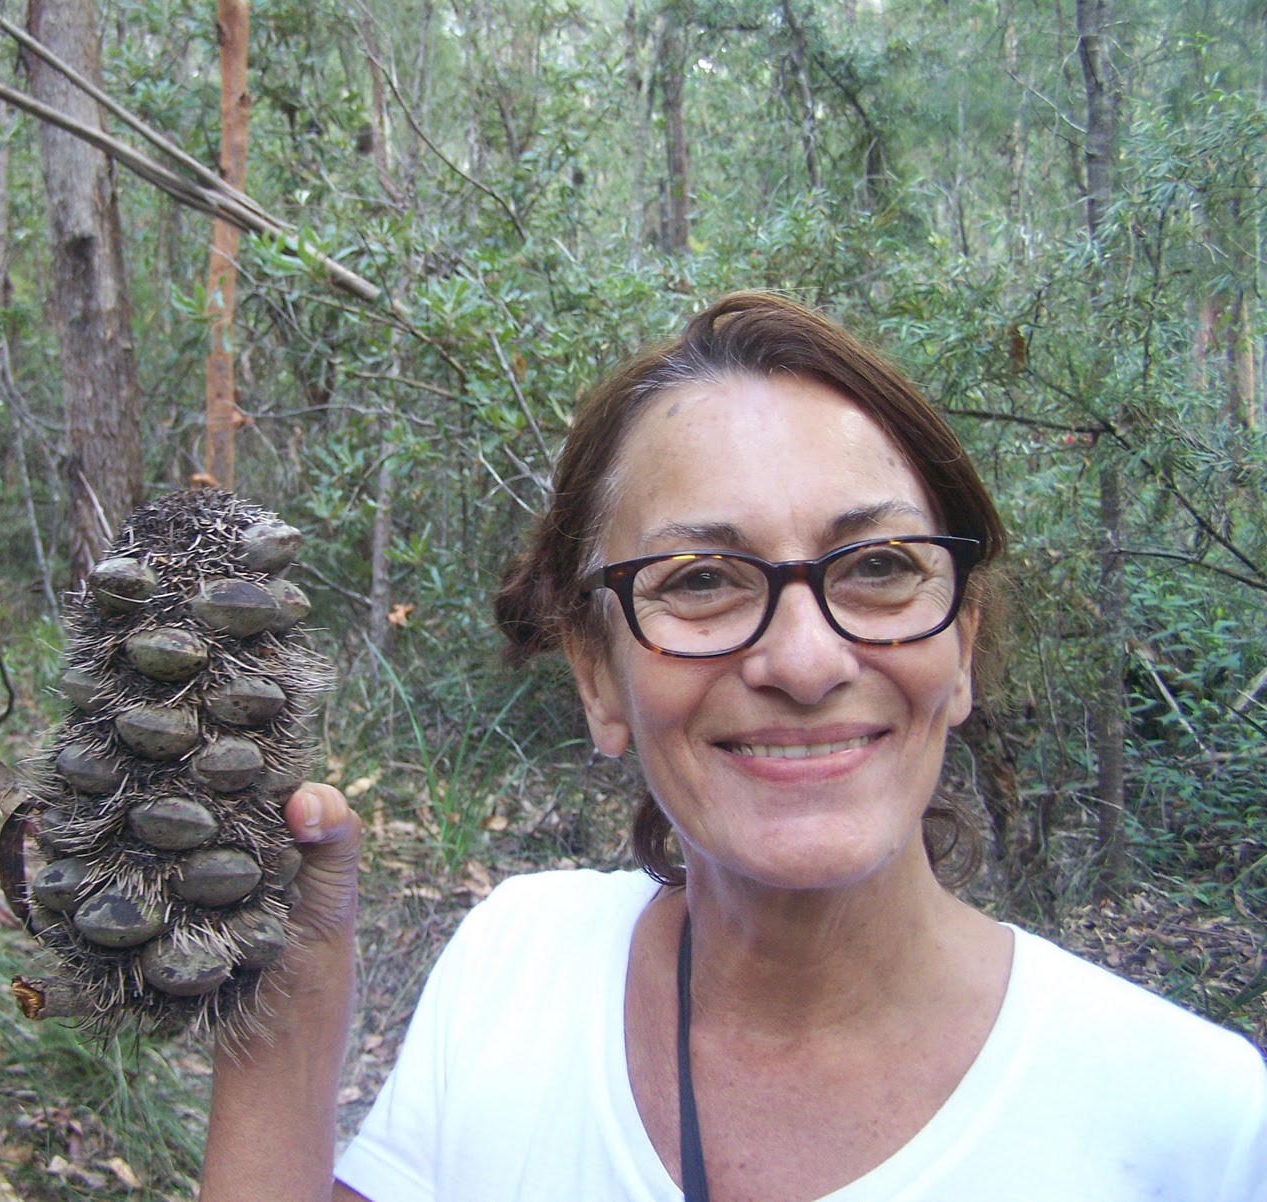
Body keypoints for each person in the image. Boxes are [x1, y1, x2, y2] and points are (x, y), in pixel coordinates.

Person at [197, 292, 1267, 1202]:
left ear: (962, 642)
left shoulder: (1202, 1127)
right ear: (595, 672)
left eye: (880, 565)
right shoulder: (512, 969)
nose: (804, 660)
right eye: (700, 581)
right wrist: (278, 1007)